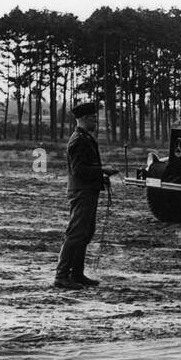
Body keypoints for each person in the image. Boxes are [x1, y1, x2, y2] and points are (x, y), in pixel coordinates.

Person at [54, 101, 116, 290]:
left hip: (87, 190)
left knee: (85, 233)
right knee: (75, 233)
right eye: (92, 118)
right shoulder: (78, 140)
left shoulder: (86, 138)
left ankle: (77, 274)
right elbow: (79, 170)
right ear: (83, 119)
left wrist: (101, 177)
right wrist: (102, 170)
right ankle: (61, 276)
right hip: (81, 192)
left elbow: (85, 169)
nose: (95, 121)